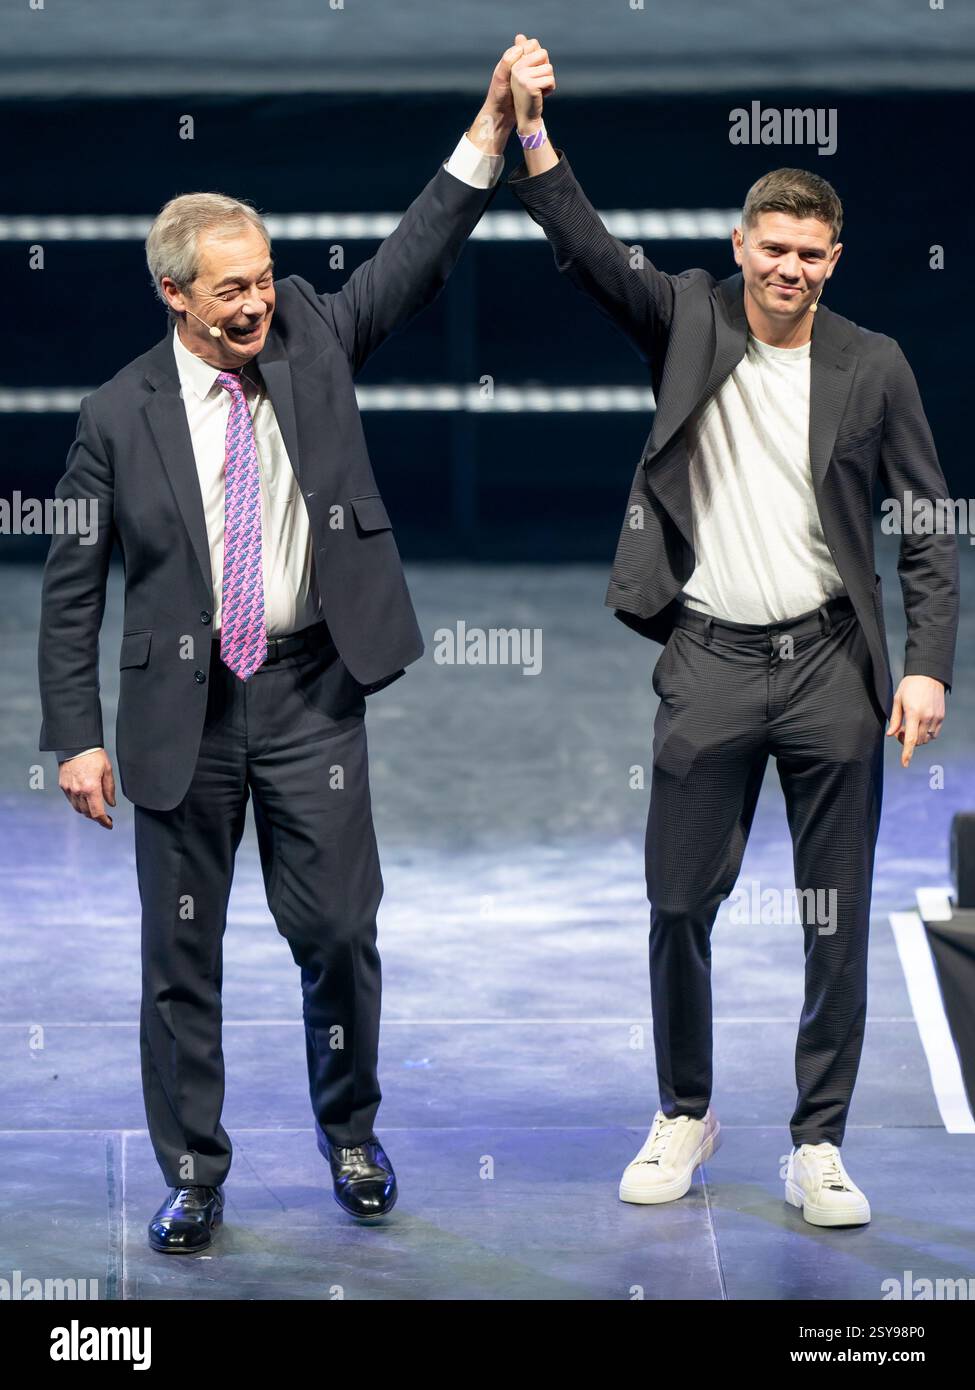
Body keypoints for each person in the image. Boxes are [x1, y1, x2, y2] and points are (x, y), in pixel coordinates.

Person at [37, 42, 528, 1254]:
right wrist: (74, 738)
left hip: (312, 694)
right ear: (174, 297)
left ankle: (350, 1129)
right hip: (181, 720)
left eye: (263, 280)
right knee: (181, 954)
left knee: (340, 931)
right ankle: (196, 1170)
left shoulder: (311, 337)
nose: (255, 303)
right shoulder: (114, 416)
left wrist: (489, 128)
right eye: (229, 291)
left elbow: (413, 256)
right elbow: (70, 593)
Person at [508, 38, 959, 1226]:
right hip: (708, 656)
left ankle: (819, 1142)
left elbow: (928, 523)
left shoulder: (877, 367)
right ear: (741, 246)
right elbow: (588, 249)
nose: (792, 270)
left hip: (831, 669)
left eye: (813, 255)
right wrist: (531, 131)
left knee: (835, 917)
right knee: (676, 905)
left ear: (834, 260)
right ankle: (685, 1109)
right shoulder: (690, 321)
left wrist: (924, 664)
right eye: (774, 250)